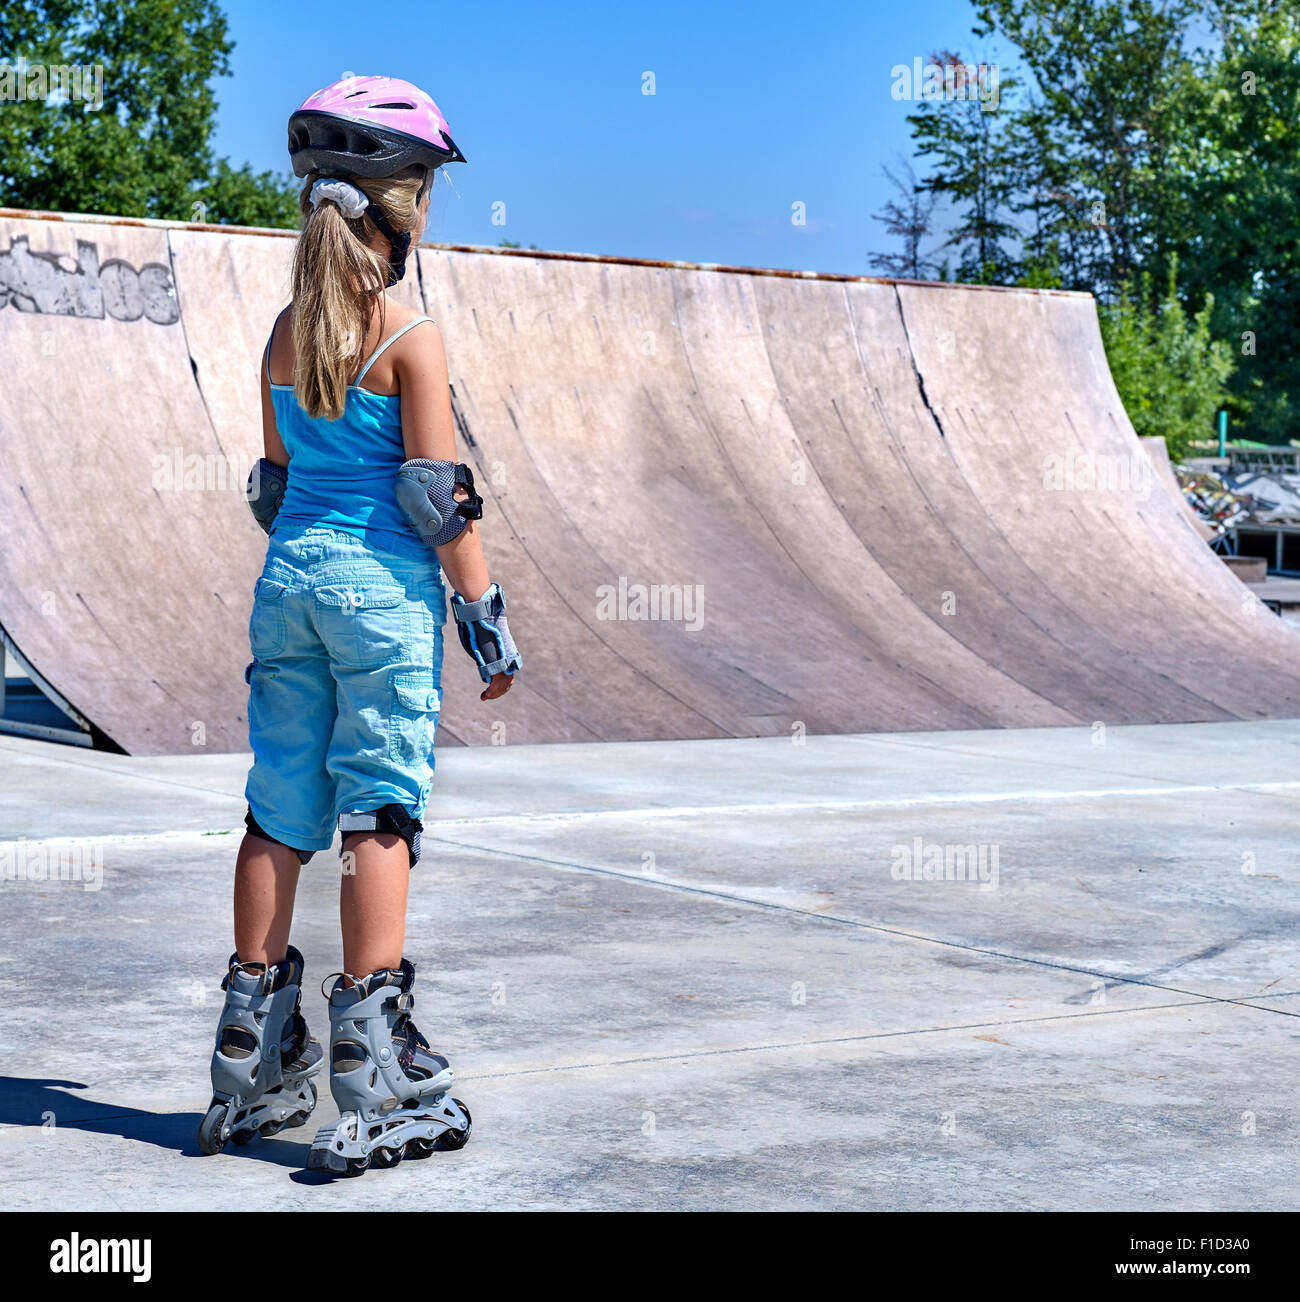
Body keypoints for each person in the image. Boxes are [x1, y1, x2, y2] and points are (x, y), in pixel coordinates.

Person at [196, 76, 521, 1176]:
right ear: (401, 209)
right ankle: (367, 1065)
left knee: (276, 805)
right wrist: (483, 616)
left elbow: (273, 489)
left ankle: (248, 1048)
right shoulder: (408, 335)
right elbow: (438, 499)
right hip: (381, 599)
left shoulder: (286, 334)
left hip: (287, 588)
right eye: (425, 190)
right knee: (378, 809)